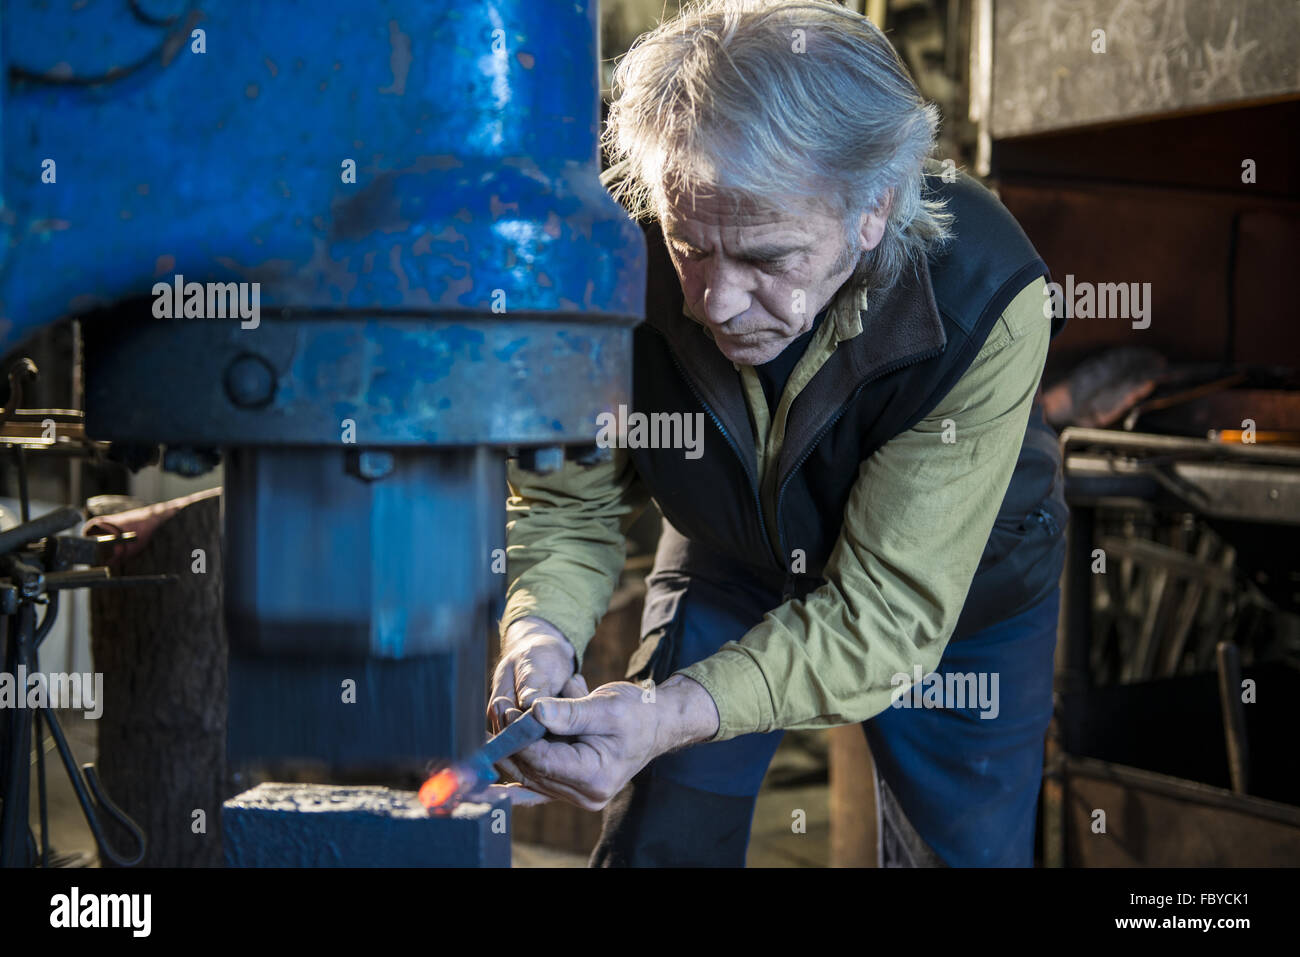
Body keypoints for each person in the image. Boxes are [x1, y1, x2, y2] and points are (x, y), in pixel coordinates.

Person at [489, 0, 1068, 866]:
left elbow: (883, 614)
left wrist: (674, 708)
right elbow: (573, 502)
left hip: (956, 598)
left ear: (871, 212)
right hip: (732, 553)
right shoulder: (609, 251)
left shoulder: (985, 291)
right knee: (663, 836)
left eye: (766, 258)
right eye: (691, 247)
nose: (714, 303)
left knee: (964, 857)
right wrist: (539, 633)